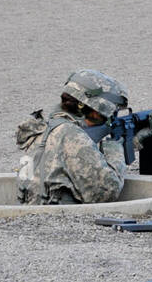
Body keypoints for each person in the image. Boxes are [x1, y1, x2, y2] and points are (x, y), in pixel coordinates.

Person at [16, 70, 139, 205]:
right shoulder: (72, 136)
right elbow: (106, 192)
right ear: (90, 107)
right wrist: (115, 149)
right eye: (106, 114)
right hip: (59, 217)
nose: (108, 118)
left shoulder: (43, 129)